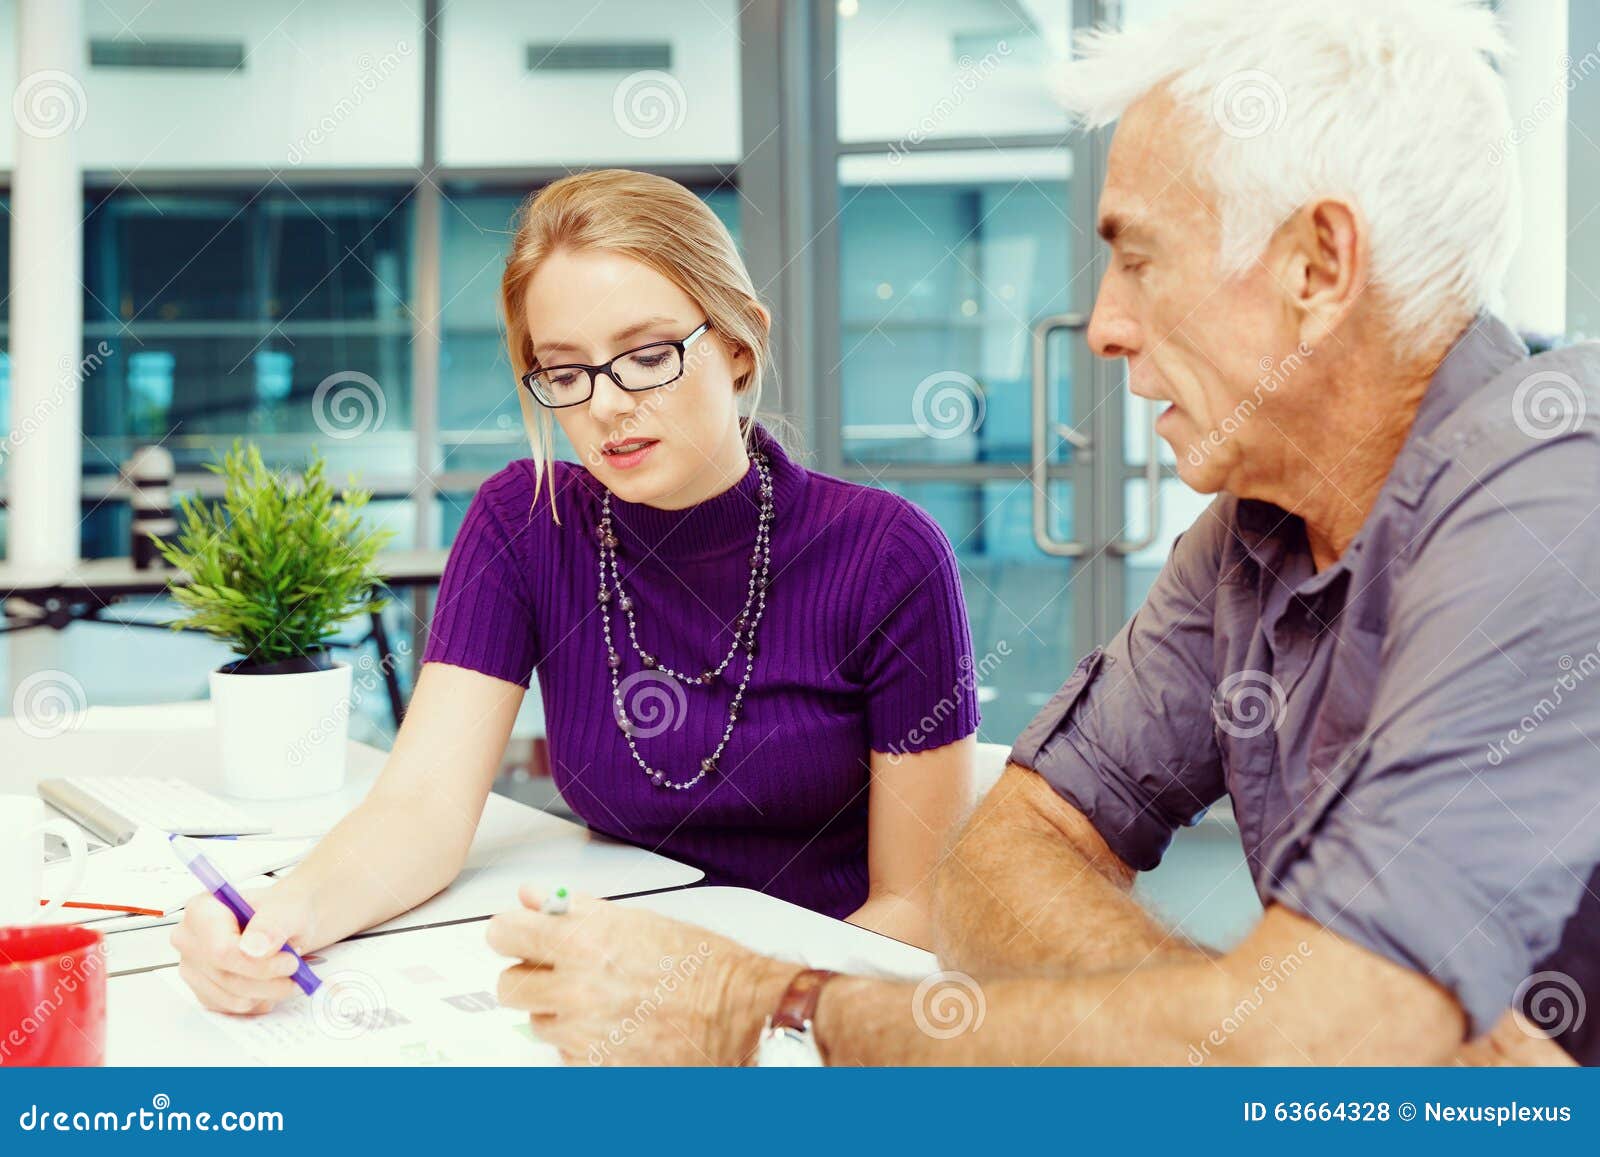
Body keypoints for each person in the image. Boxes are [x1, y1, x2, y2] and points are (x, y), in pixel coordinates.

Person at [486, 0, 1598, 1066]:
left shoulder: (1557, 492)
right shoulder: (1252, 532)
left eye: (1139, 255)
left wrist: (769, 997)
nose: (1104, 324)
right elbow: (999, 858)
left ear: (1318, 267)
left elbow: (1312, 1053)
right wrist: (1241, 1017)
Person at [170, 170, 979, 1014]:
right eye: (565, 372)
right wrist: (273, 919)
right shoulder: (526, 522)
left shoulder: (886, 554)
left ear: (740, 345)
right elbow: (421, 808)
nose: (608, 406)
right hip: (614, 994)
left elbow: (916, 908)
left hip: (824, 1011)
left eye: (650, 355)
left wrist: (726, 1003)